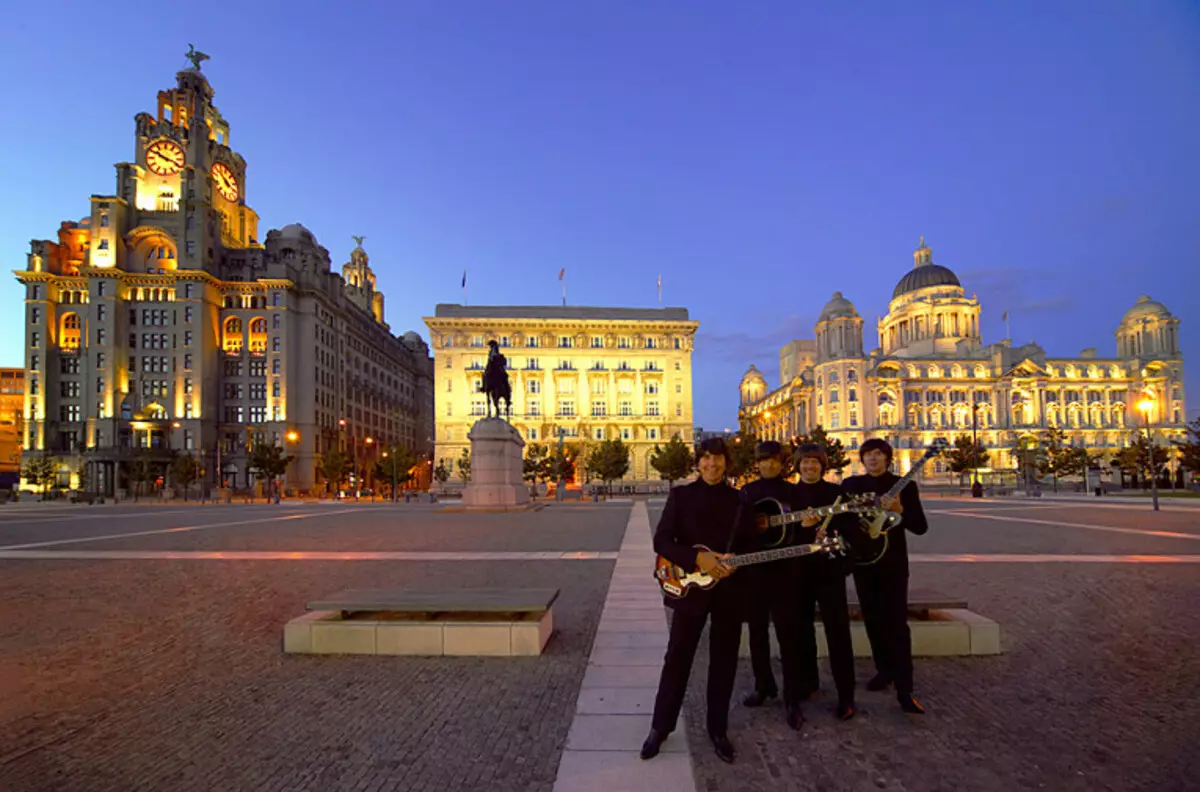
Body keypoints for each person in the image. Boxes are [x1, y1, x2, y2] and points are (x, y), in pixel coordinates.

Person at [642, 437, 753, 765]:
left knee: (724, 662)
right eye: (705, 459)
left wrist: (735, 563)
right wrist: (696, 560)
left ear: (726, 462)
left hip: (728, 593)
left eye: (717, 459)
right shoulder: (681, 495)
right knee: (676, 658)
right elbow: (661, 540)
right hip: (690, 590)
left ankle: (717, 730)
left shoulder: (740, 500)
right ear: (697, 463)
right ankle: (660, 728)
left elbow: (751, 544)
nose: (711, 465)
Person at [842, 438, 929, 714]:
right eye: (868, 455)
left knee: (897, 625)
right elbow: (841, 521)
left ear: (888, 458)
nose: (873, 459)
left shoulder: (905, 487)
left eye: (878, 454)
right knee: (873, 621)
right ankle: (883, 670)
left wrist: (900, 511)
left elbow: (920, 527)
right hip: (864, 564)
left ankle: (905, 689)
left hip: (893, 565)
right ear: (862, 459)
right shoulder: (851, 486)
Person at [737, 441, 808, 731]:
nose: (768, 466)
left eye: (774, 461)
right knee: (757, 633)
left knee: (789, 636)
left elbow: (806, 533)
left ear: (783, 463)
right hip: (755, 572)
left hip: (785, 572)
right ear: (758, 463)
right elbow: (738, 531)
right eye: (764, 461)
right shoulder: (747, 493)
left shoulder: (794, 492)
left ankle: (792, 697)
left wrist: (810, 524)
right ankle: (763, 684)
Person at [792, 443, 857, 721]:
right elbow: (780, 538)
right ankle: (808, 682)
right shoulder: (790, 495)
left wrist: (842, 564)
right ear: (798, 466)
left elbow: (852, 532)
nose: (809, 467)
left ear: (822, 466)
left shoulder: (836, 494)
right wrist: (801, 528)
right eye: (805, 462)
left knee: (838, 632)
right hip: (799, 573)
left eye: (814, 463)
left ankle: (846, 695)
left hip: (829, 573)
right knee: (801, 631)